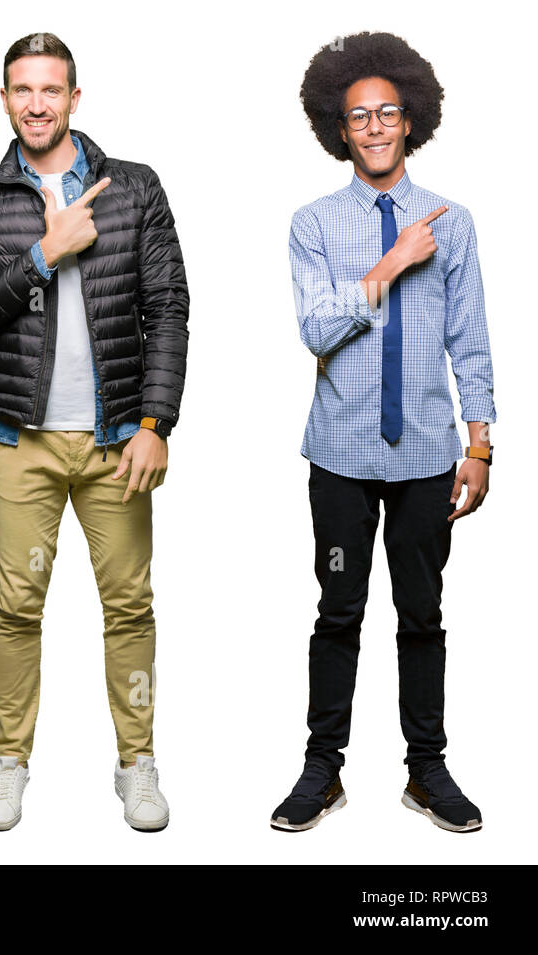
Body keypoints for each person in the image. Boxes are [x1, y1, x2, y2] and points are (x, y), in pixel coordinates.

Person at [0, 32, 190, 832]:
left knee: (129, 604)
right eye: (23, 89)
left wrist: (156, 422)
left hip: (119, 437)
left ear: (75, 98)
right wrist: (44, 253)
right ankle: (10, 761)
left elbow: (170, 309)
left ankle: (138, 761)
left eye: (52, 89)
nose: (38, 103)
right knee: (18, 605)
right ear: (5, 99)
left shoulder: (135, 188)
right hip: (23, 441)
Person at [272, 31, 494, 834]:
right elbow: (317, 328)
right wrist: (393, 261)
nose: (372, 126)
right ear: (339, 126)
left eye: (386, 112)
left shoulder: (454, 223)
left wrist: (481, 442)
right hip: (340, 455)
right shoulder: (315, 224)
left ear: (410, 121)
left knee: (423, 615)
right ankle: (322, 767)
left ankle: (427, 770)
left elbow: (469, 339)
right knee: (338, 611)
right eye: (356, 115)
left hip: (431, 455)